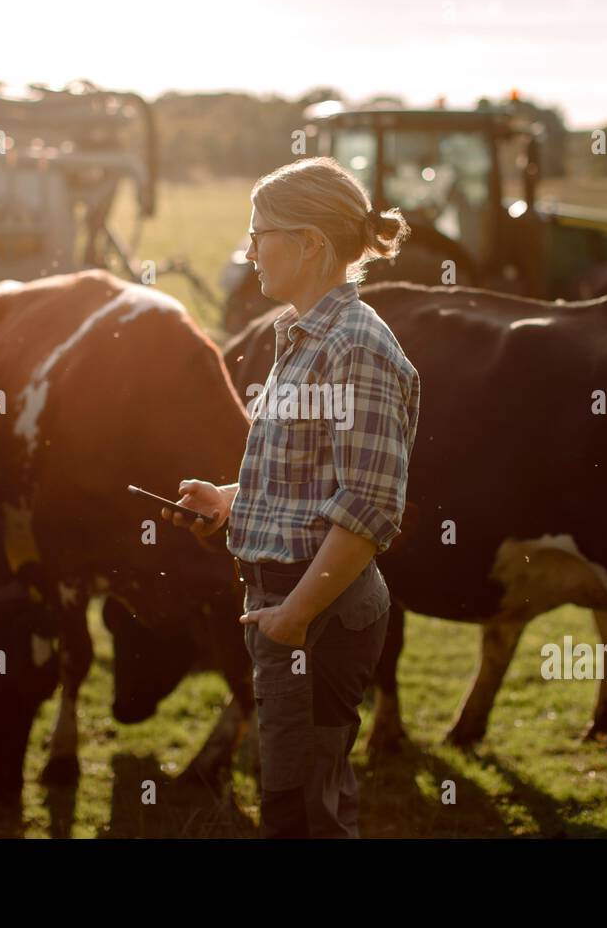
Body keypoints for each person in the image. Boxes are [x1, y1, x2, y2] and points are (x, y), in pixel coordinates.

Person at [164, 156, 420, 837]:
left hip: (317, 609)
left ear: (309, 243)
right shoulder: (304, 334)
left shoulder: (355, 346)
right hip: (298, 601)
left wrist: (294, 616)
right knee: (299, 798)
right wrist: (229, 500)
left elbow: (368, 504)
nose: (248, 250)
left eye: (260, 234)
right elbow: (314, 479)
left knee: (301, 812)